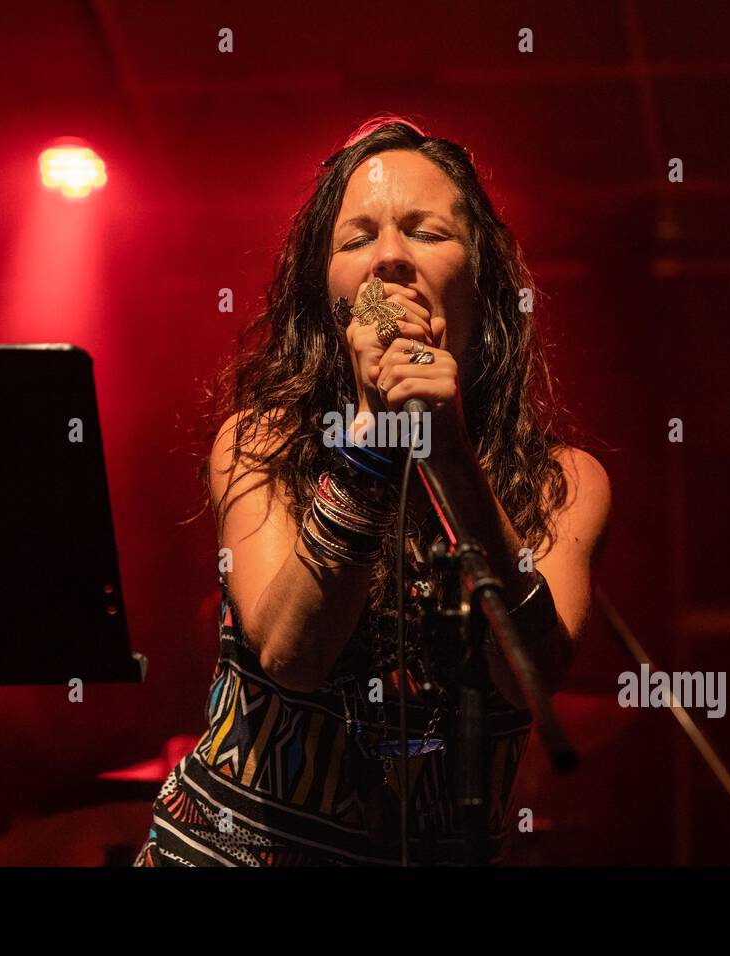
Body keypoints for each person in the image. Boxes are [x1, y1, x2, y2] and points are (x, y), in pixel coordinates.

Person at [134, 115, 612, 866]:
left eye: (425, 231)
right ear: (329, 300)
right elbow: (292, 653)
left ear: (481, 284)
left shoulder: (565, 485)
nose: (389, 257)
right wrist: (373, 444)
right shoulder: (260, 445)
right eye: (357, 239)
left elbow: (532, 677)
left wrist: (451, 456)